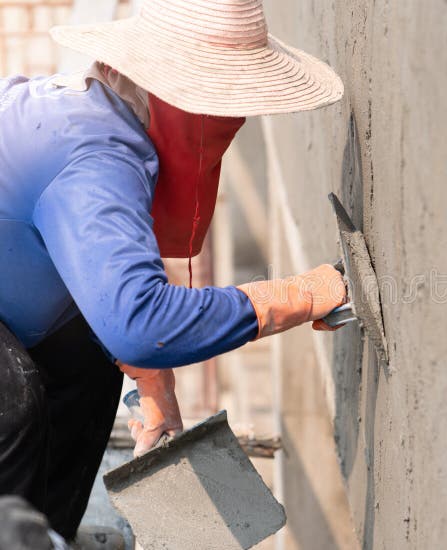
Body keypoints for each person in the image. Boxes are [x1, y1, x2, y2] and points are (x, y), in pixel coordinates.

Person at [0, 0, 346, 541]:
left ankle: (48, 535)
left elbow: (100, 279)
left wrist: (153, 383)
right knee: (12, 405)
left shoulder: (93, 113)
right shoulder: (95, 156)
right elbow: (141, 324)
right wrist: (299, 296)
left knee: (90, 360)